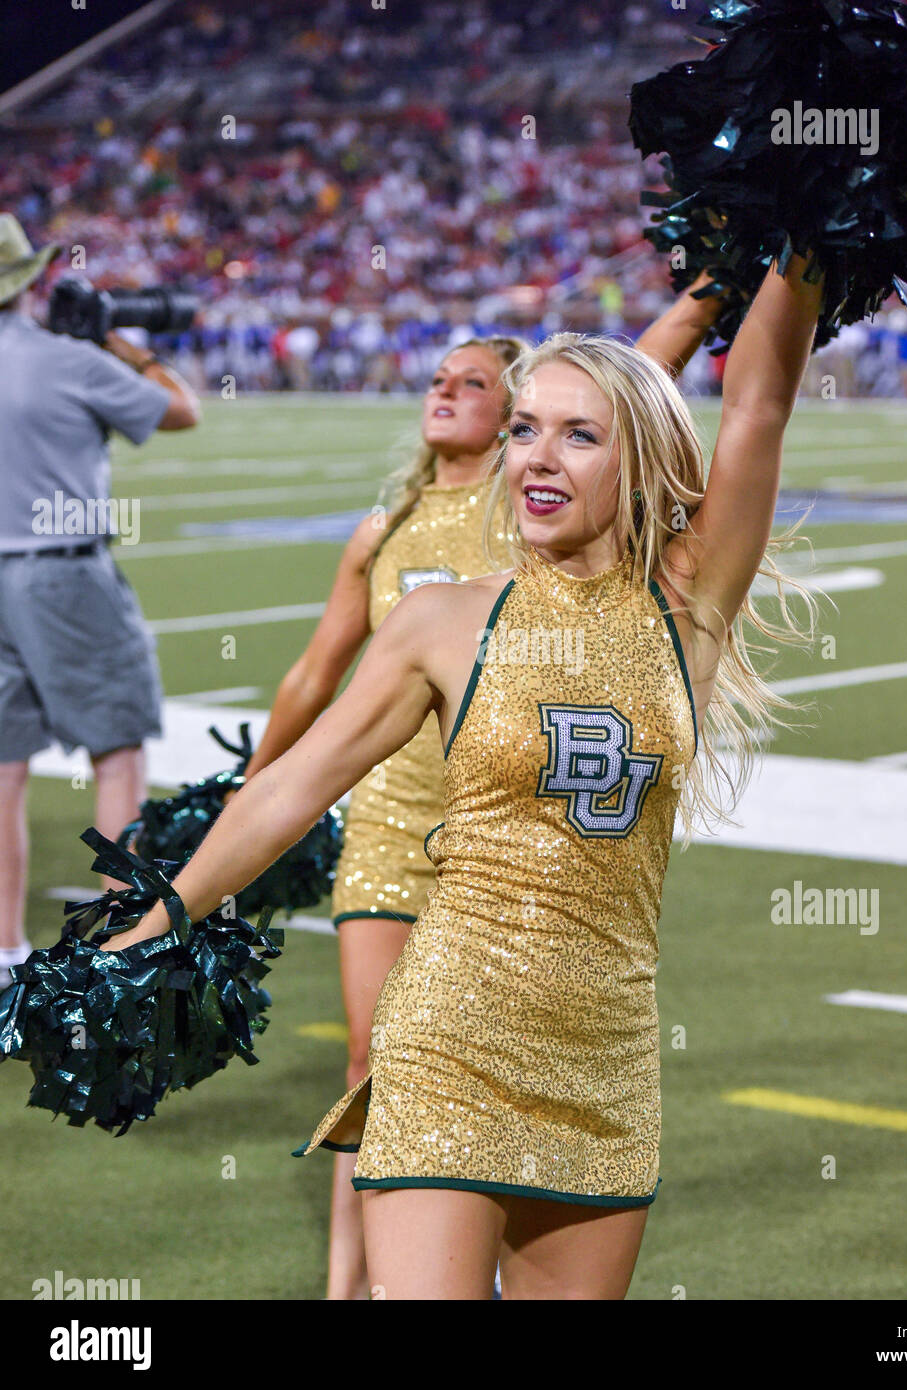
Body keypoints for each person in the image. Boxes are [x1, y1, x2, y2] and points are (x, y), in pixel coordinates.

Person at [103, 251, 823, 1299]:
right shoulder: (441, 621)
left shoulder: (688, 604)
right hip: (450, 1034)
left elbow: (758, 403)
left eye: (578, 435)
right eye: (524, 428)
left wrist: (812, 227)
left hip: (607, 1055)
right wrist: (152, 926)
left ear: (642, 463)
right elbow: (292, 787)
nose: (536, 457)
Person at [235, 276, 723, 1299]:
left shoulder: (530, 522)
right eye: (438, 377)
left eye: (473, 382)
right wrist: (245, 791)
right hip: (395, 815)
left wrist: (721, 282)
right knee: (375, 1060)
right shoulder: (389, 525)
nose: (446, 392)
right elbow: (315, 677)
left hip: (531, 827)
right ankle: (353, 1282)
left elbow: (623, 392)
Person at [0, 214, 201, 990]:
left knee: (4, 769)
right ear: (28, 283)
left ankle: (5, 954)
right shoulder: (64, 359)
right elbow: (182, 408)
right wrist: (118, 339)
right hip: (62, 572)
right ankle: (115, 957)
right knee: (116, 753)